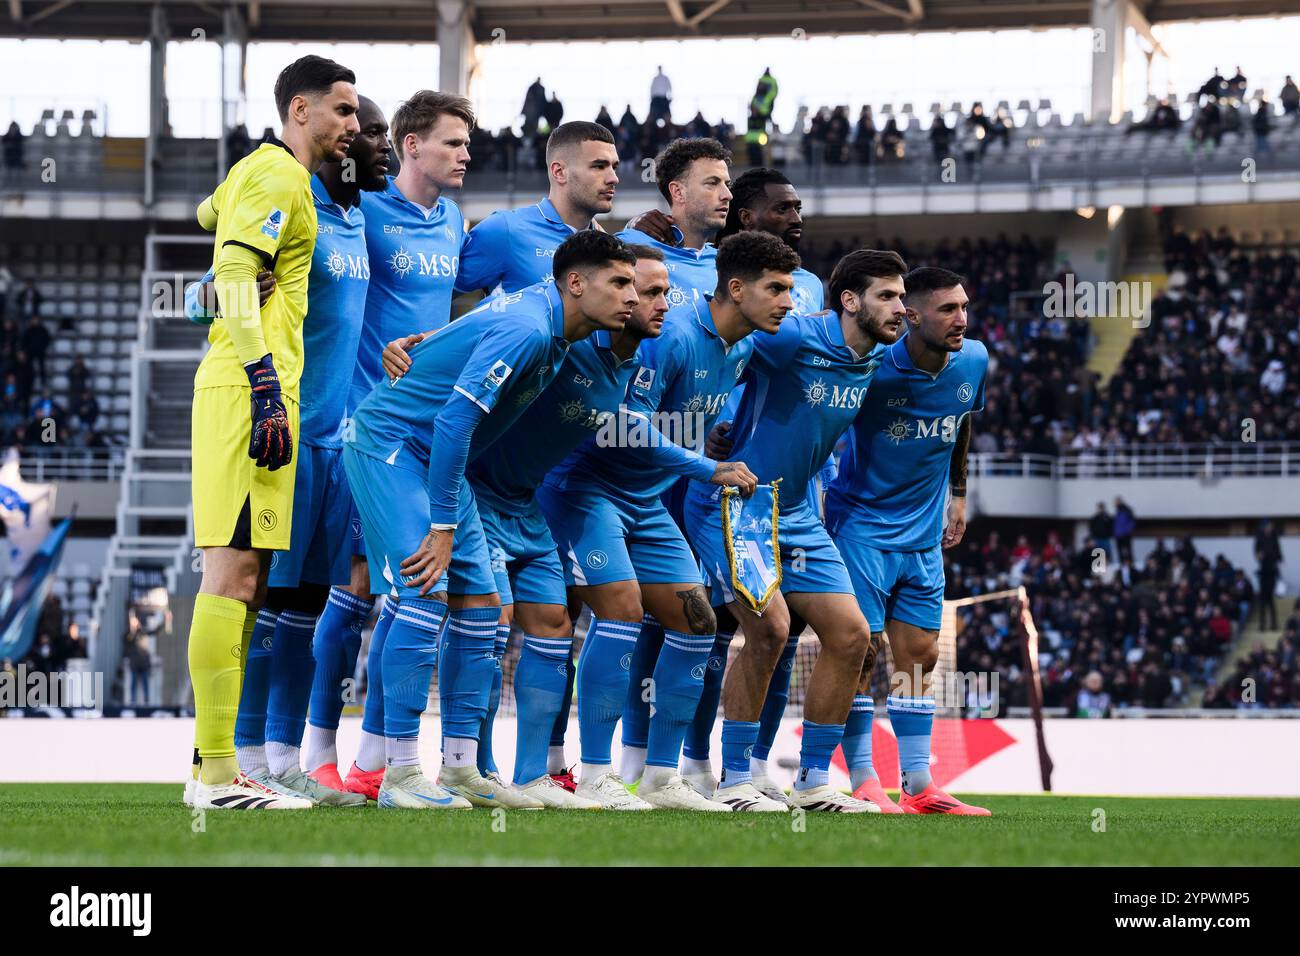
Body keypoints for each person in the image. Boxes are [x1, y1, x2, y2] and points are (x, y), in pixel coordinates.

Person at [343, 230, 639, 810]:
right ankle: (400, 774)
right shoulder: (530, 329)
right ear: (576, 284)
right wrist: (444, 526)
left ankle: (459, 768)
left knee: (481, 604)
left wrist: (425, 342)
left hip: (437, 462)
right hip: (394, 446)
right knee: (426, 590)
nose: (631, 297)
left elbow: (473, 330)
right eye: (620, 282)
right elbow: (455, 423)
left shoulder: (547, 316)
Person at [537, 232, 784, 812]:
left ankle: (661, 777)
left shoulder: (742, 349)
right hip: (589, 489)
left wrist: (711, 443)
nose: (788, 302)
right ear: (736, 289)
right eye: (777, 289)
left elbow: (693, 414)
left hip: (647, 503)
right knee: (620, 609)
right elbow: (627, 427)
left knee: (697, 622)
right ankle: (595, 772)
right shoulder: (669, 338)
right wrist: (708, 466)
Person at [191, 98, 392, 807]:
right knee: (252, 589)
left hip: (343, 435)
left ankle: (279, 759)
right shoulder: (284, 185)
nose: (379, 146)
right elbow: (217, 264)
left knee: (303, 599)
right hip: (281, 417)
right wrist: (205, 295)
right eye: (369, 131)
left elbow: (206, 211)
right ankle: (231, 759)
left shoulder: (374, 215)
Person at [691, 248, 911, 814]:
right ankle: (735, 779)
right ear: (849, 301)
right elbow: (727, 353)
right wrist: (717, 421)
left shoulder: (874, 360)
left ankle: (814, 782)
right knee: (769, 629)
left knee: (852, 636)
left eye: (903, 297)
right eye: (888, 296)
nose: (901, 309)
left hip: (799, 513)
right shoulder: (792, 337)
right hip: (737, 503)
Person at [822, 266, 991, 815]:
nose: (961, 319)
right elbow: (822, 424)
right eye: (948, 310)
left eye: (964, 307)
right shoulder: (873, 369)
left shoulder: (974, 359)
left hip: (922, 539)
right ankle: (864, 779)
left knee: (918, 656)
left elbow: (962, 418)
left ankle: (918, 784)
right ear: (912, 316)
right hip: (862, 530)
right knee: (858, 653)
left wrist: (959, 492)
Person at [459, 122, 619, 298]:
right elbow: (437, 297)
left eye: (614, 167)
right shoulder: (505, 230)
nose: (613, 178)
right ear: (559, 172)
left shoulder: (610, 246)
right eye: (599, 166)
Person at [1255, 520, 1283, 630]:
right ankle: (1262, 624)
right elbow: (1257, 553)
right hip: (1263, 572)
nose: (1270, 528)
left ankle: (1274, 624)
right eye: (1269, 526)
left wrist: (1275, 559)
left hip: (1272, 571)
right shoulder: (1259, 538)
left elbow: (1278, 554)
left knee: (1270, 599)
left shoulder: (1274, 538)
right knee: (1263, 599)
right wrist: (1260, 555)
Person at [20, 314, 50, 384]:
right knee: (29, 367)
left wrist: (43, 347)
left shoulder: (43, 329)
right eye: (34, 320)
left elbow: (47, 339)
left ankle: (43, 381)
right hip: (30, 351)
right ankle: (29, 379)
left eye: (36, 320)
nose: (35, 321)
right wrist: (27, 349)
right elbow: (24, 340)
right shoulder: (29, 330)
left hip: (40, 351)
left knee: (42, 366)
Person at [1113, 496, 1136, 563]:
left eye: (1116, 501)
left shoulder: (1127, 510)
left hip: (1125, 535)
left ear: (1120, 501)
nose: (1115, 503)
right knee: (1120, 552)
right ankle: (1122, 564)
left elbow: (1132, 522)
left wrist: (1126, 531)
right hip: (1118, 535)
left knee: (1128, 551)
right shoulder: (1117, 511)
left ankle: (1130, 564)